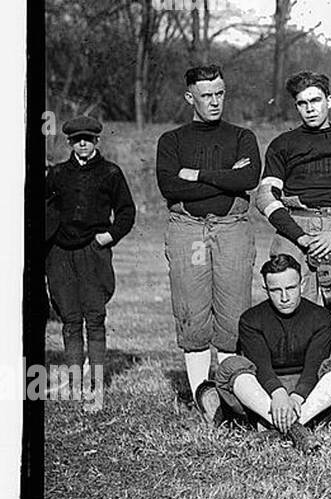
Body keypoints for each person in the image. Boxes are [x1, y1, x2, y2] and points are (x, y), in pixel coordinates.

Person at [155, 64, 262, 419]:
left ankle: (232, 397)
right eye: (206, 96)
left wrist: (198, 175)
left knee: (233, 313)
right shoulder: (172, 141)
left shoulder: (242, 136)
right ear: (190, 98)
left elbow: (247, 177)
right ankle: (206, 403)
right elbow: (171, 186)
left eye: (219, 94)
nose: (215, 102)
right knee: (192, 311)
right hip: (188, 228)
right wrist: (225, 178)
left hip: (232, 227)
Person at [256, 71, 331, 332]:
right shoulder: (283, 144)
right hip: (297, 231)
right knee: (293, 315)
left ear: (330, 101)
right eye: (303, 103)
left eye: (316, 100)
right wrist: (300, 237)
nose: (310, 109)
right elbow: (265, 196)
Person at [213, 255, 331, 452]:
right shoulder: (251, 319)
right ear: (265, 289)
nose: (285, 297)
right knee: (231, 366)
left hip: (308, 393)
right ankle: (296, 428)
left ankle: (280, 427)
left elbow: (313, 367)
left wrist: (296, 398)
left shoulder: (320, 317)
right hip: (265, 393)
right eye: (276, 290)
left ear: (301, 284)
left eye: (291, 288)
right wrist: (278, 394)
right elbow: (261, 367)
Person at [45, 115, 136, 376]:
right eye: (76, 140)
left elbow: (126, 212)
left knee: (95, 317)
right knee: (70, 319)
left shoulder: (110, 172)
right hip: (60, 253)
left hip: (93, 252)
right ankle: (75, 382)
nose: (82, 144)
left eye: (87, 139)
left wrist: (109, 236)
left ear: (96, 140)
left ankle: (95, 383)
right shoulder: (57, 173)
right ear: (70, 142)